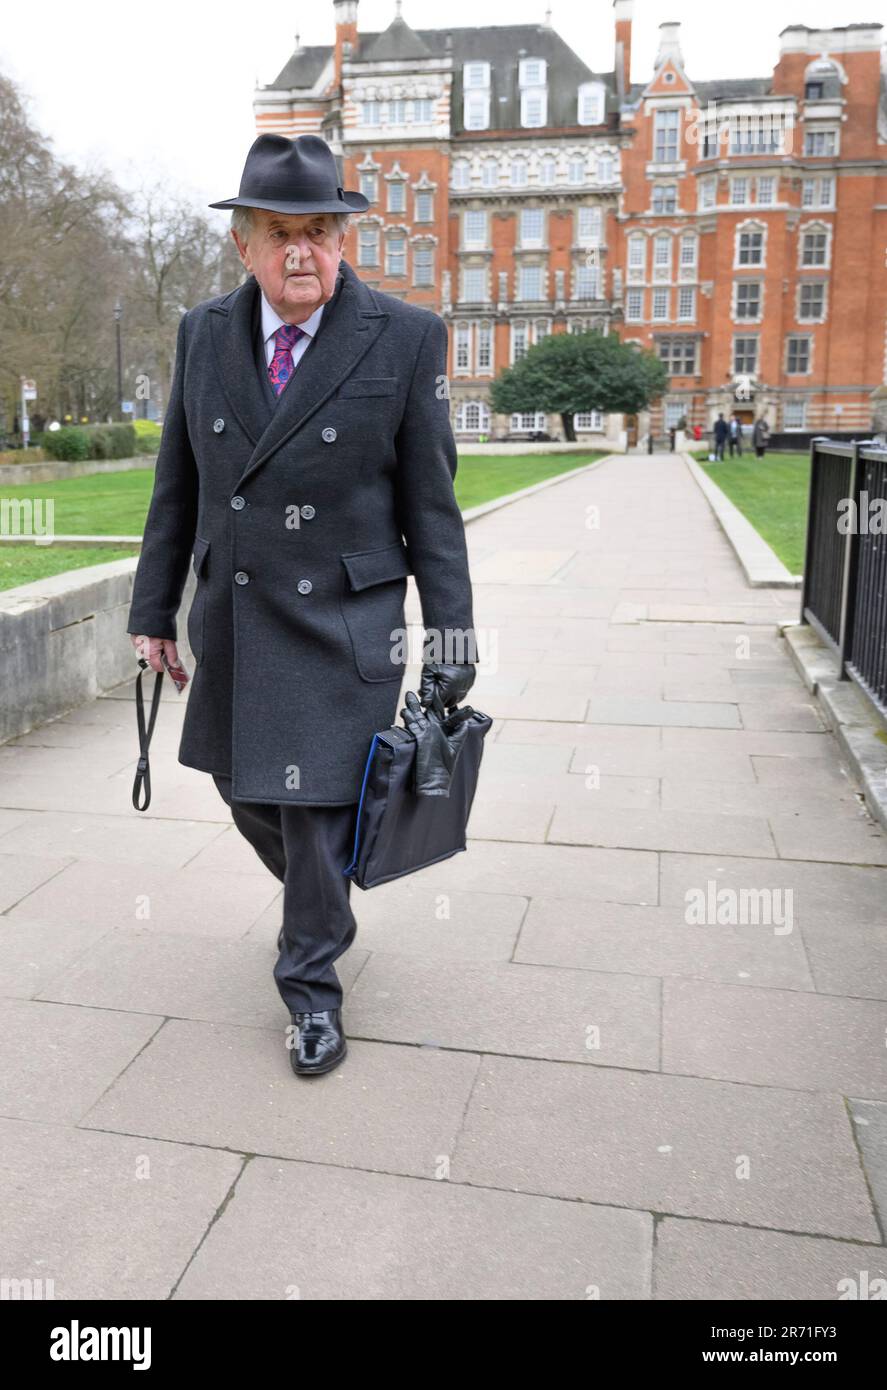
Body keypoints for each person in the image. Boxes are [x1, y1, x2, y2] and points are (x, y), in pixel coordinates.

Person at [126, 134, 477, 1078]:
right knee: (245, 793)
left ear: (341, 239)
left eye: (318, 232)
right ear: (242, 244)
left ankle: (311, 989)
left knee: (317, 808)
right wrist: (152, 610)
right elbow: (177, 483)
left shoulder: (403, 336)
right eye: (279, 233)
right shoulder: (204, 332)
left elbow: (433, 510)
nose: (300, 253)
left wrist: (451, 638)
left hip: (344, 622)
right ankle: (323, 906)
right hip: (235, 618)